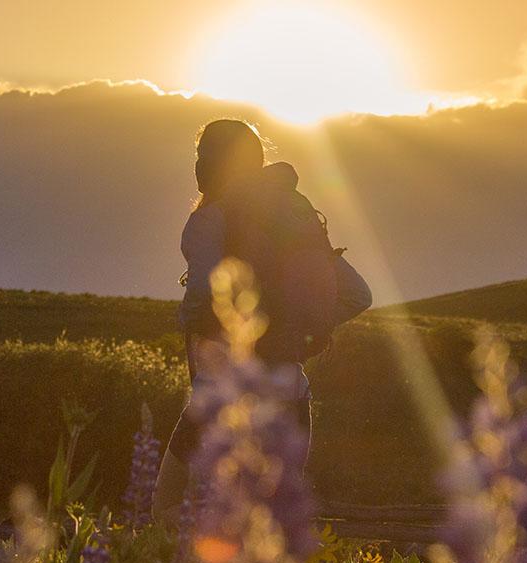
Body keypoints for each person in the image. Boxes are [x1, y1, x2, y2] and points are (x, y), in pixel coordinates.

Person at [152, 119, 372, 521]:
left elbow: (202, 294)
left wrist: (221, 328)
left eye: (202, 157)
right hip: (292, 397)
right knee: (269, 529)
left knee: (168, 510)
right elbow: (359, 294)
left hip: (221, 400)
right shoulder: (293, 221)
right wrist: (296, 331)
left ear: (211, 166)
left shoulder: (209, 220)